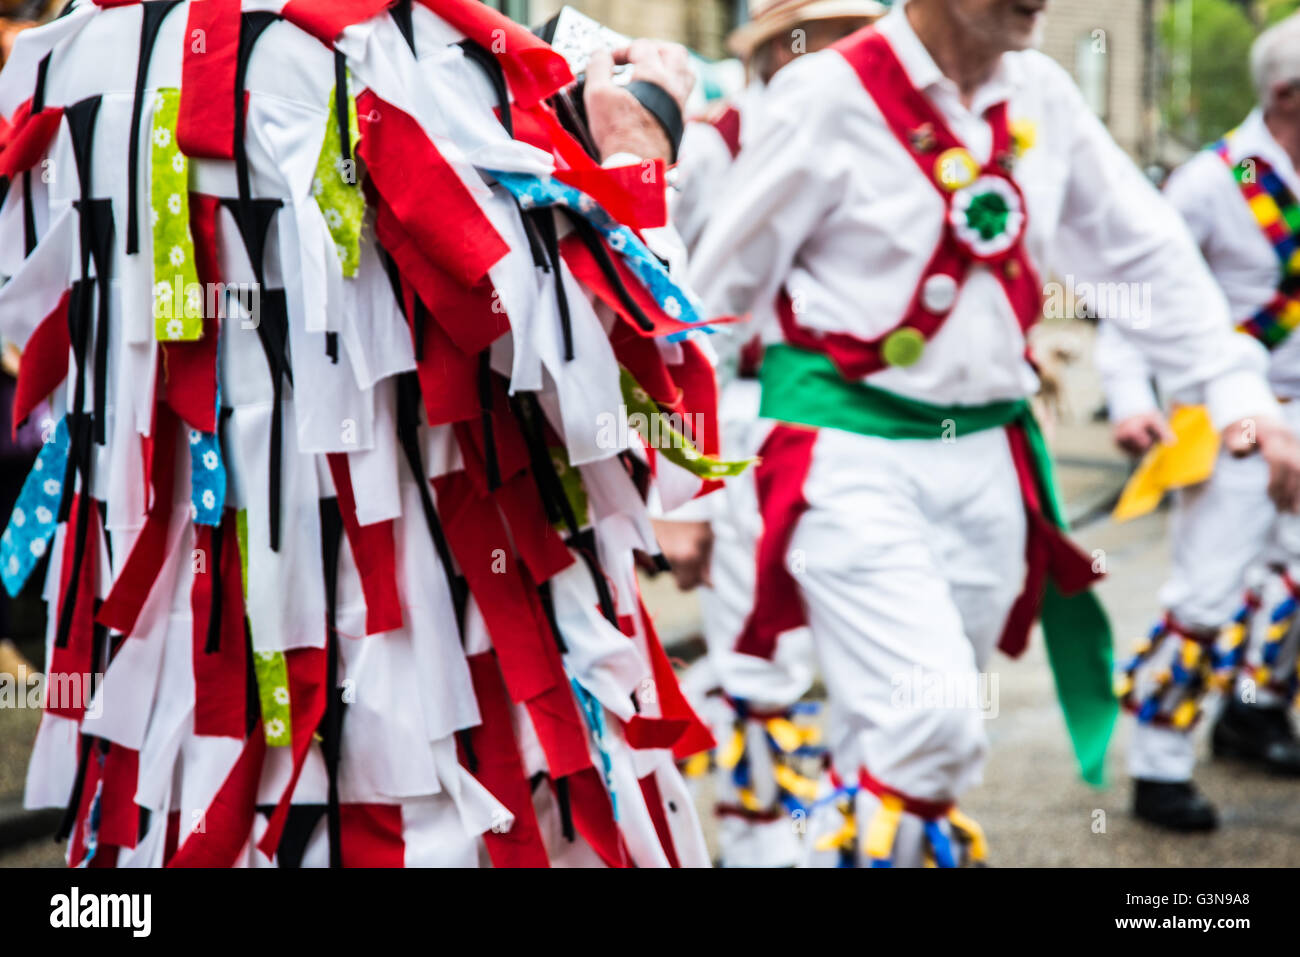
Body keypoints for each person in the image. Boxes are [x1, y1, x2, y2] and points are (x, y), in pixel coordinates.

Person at [0, 0, 722, 868]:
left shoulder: (65, 57)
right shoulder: (384, 49)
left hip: (178, 722)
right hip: (422, 711)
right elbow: (598, 386)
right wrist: (635, 157)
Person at [686, 0, 1300, 866]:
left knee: (906, 747)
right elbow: (711, 298)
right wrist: (682, 489)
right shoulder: (824, 96)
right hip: (848, 456)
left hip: (987, 463)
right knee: (929, 719)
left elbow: (1146, 258)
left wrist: (1245, 398)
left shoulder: (1043, 96)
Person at [662, 0, 885, 869]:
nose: (847, 53)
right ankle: (761, 848)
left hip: (854, 425)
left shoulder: (875, 132)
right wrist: (681, 493)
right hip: (746, 416)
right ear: (775, 46)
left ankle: (841, 834)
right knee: (758, 646)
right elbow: (676, 318)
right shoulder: (715, 141)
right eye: (828, 35)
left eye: (857, 33)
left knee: (861, 646)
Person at [1099, 12, 1300, 832]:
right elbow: (1131, 298)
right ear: (1288, 94)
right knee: (1206, 597)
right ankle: (1157, 768)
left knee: (1291, 584)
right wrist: (1131, 397)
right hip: (1228, 421)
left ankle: (1253, 712)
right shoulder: (1215, 180)